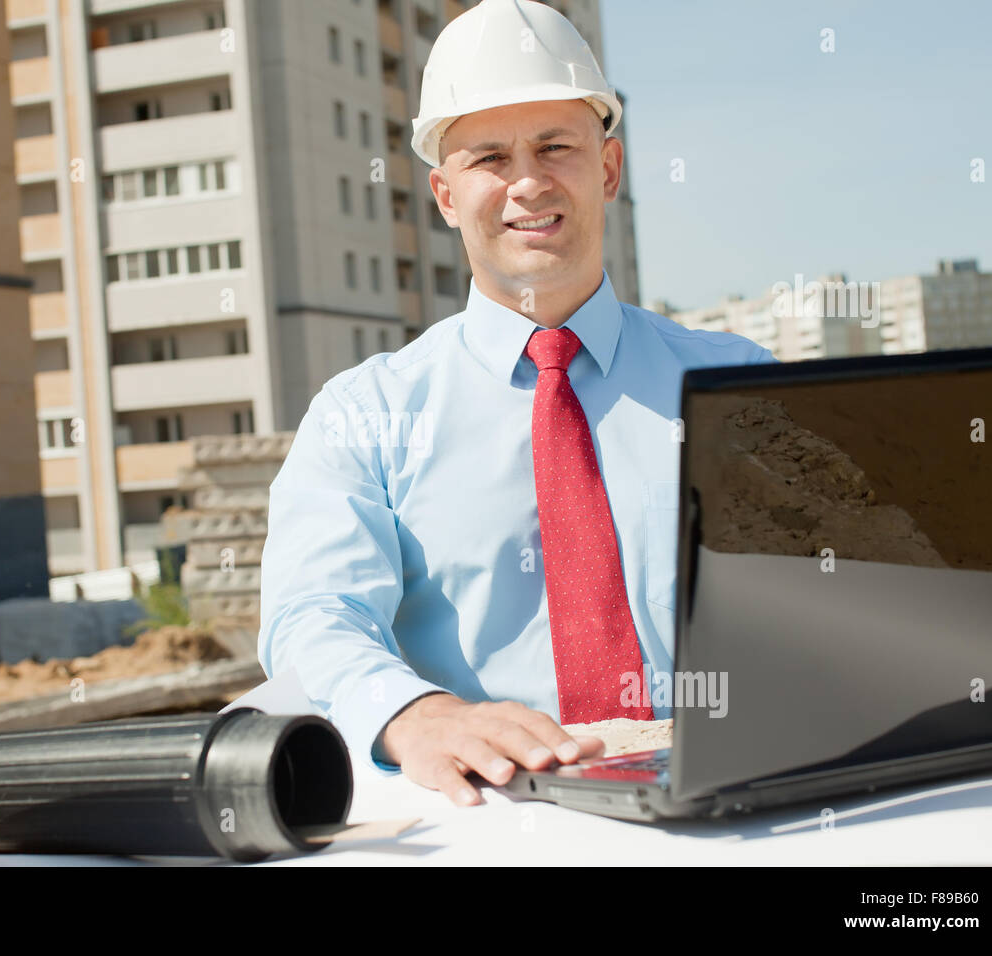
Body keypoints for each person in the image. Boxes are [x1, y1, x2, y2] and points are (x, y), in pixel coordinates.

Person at [257, 0, 778, 807]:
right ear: (444, 194)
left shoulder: (739, 384)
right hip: (493, 815)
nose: (528, 181)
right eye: (490, 157)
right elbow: (313, 614)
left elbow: (832, 591)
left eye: (555, 147)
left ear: (607, 170)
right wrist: (413, 713)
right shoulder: (363, 414)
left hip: (731, 800)